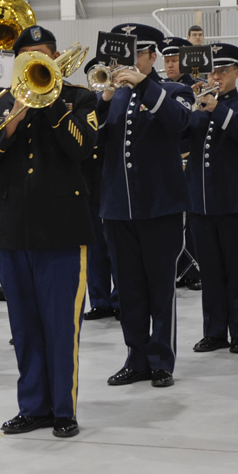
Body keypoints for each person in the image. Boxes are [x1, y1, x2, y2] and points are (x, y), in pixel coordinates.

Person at [0, 26, 96, 437]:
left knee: (60, 326)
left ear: (57, 57)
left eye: (42, 56)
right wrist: (15, 114)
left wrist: (51, 100)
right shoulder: (0, 102)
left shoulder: (80, 98)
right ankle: (33, 406)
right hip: (9, 229)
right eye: (27, 58)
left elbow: (83, 147)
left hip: (61, 228)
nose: (35, 63)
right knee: (24, 326)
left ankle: (63, 410)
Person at [97, 23, 192, 389]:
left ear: (153, 57)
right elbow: (92, 141)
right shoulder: (110, 95)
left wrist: (142, 83)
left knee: (161, 288)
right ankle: (136, 357)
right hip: (118, 206)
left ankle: (161, 359)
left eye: (137, 53)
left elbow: (180, 122)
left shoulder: (173, 90)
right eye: (123, 54)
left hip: (161, 206)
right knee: (130, 288)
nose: (127, 61)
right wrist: (103, 99)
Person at [183, 44, 238, 354]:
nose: (215, 77)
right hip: (201, 203)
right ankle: (215, 330)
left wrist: (216, 108)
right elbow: (180, 139)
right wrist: (188, 107)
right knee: (210, 271)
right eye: (212, 71)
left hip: (236, 203)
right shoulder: (198, 108)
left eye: (222, 71)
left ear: (236, 73)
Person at [160, 36, 202, 291]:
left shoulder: (198, 86)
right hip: (168, 161)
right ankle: (176, 267)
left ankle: (194, 270)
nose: (170, 65)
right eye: (166, 60)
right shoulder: (159, 87)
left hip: (191, 158)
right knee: (174, 219)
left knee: (194, 218)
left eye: (174, 60)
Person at [80, 57, 120, 322]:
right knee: (94, 249)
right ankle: (100, 301)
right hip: (89, 184)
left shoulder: (118, 102)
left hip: (113, 181)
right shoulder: (86, 103)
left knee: (117, 248)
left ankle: (120, 300)